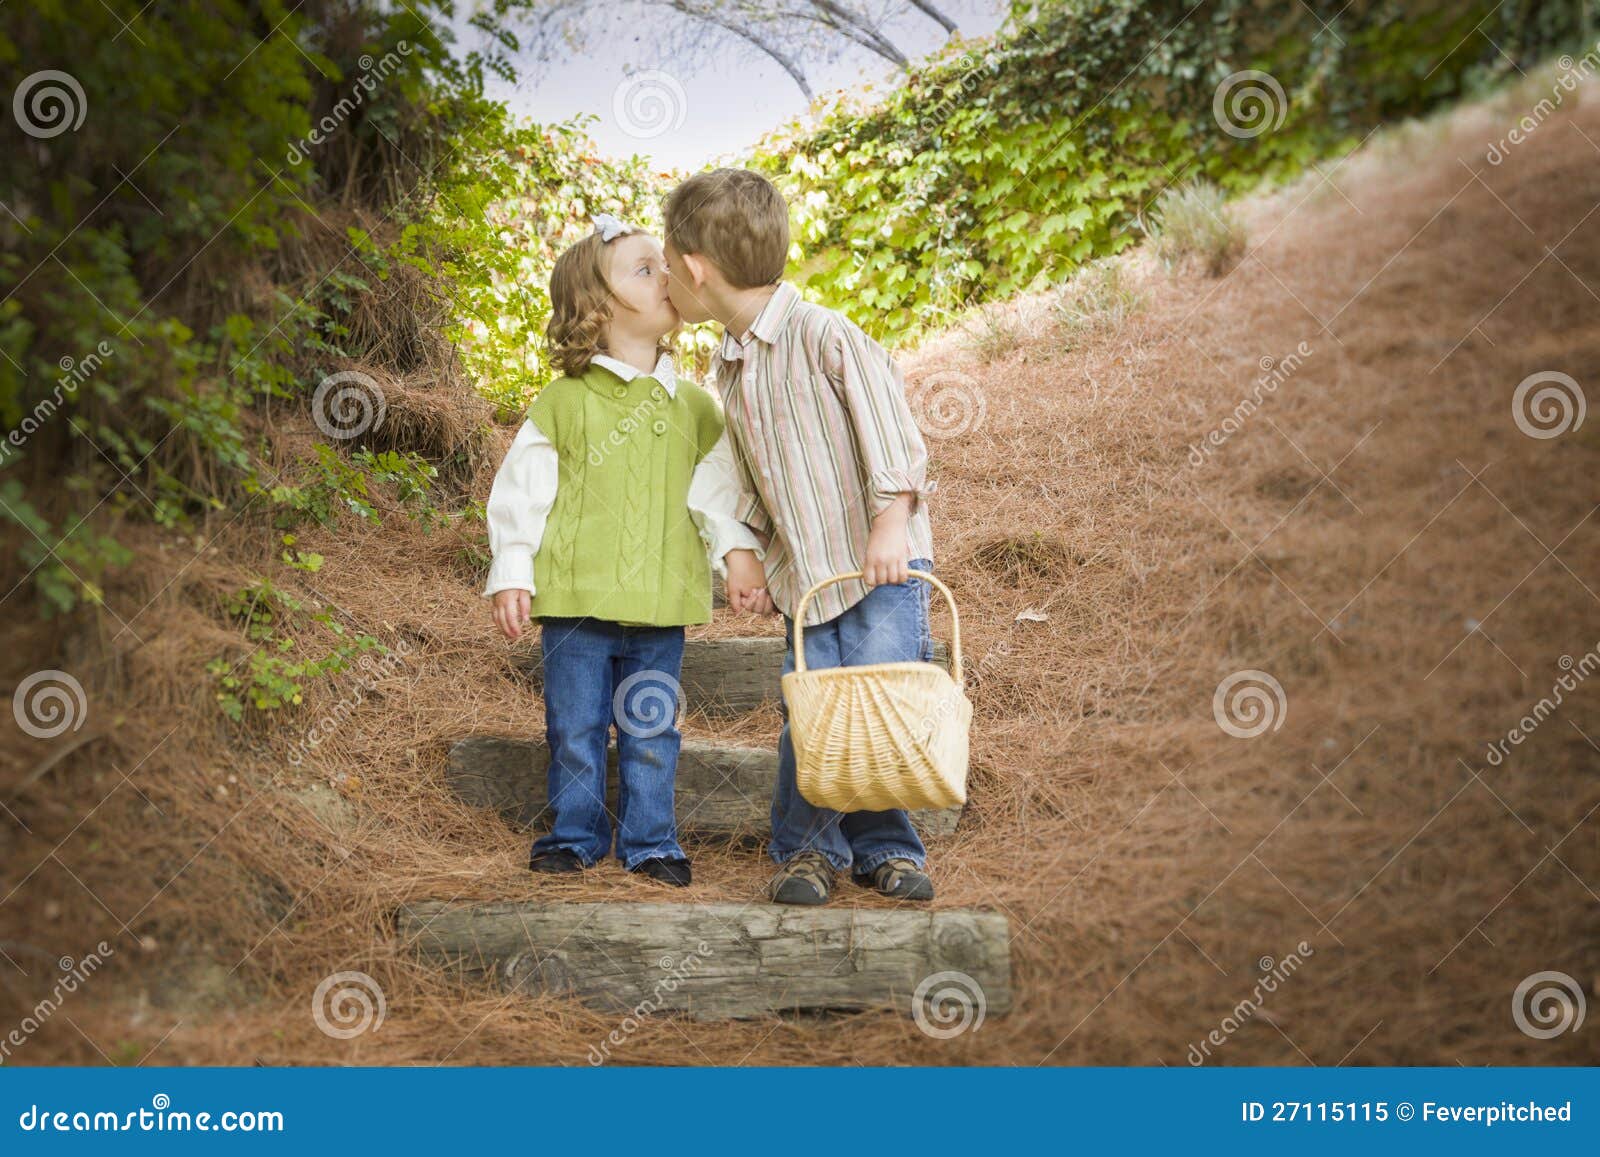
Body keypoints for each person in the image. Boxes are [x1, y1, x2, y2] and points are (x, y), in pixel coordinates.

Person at [662, 170, 939, 905]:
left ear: (694, 270)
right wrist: (745, 548)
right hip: (811, 579)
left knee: (876, 702)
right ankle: (808, 849)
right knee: (813, 711)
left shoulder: (822, 332)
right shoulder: (730, 366)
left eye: (668, 266)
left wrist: (890, 523)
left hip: (879, 564)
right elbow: (749, 473)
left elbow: (892, 431)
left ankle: (886, 846)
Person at [483, 213, 767, 887]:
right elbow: (522, 489)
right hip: (576, 600)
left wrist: (736, 556)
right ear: (598, 306)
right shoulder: (565, 401)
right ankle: (575, 833)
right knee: (575, 727)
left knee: (650, 729)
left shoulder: (697, 408)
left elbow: (718, 492)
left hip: (659, 603)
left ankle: (650, 839)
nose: (666, 273)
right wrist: (513, 568)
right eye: (645, 268)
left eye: (665, 264)